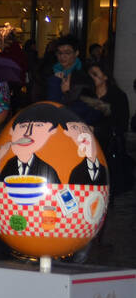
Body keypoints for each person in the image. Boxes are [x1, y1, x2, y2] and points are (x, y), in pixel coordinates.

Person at [78, 60, 132, 193]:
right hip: (86, 146)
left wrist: (98, 129)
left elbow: (121, 124)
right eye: (90, 75)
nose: (92, 78)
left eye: (95, 74)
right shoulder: (85, 95)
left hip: (108, 145)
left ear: (105, 77)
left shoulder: (118, 96)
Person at [46, 36, 85, 107]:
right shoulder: (49, 71)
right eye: (59, 53)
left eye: (67, 53)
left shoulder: (84, 74)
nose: (62, 56)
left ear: (76, 53)